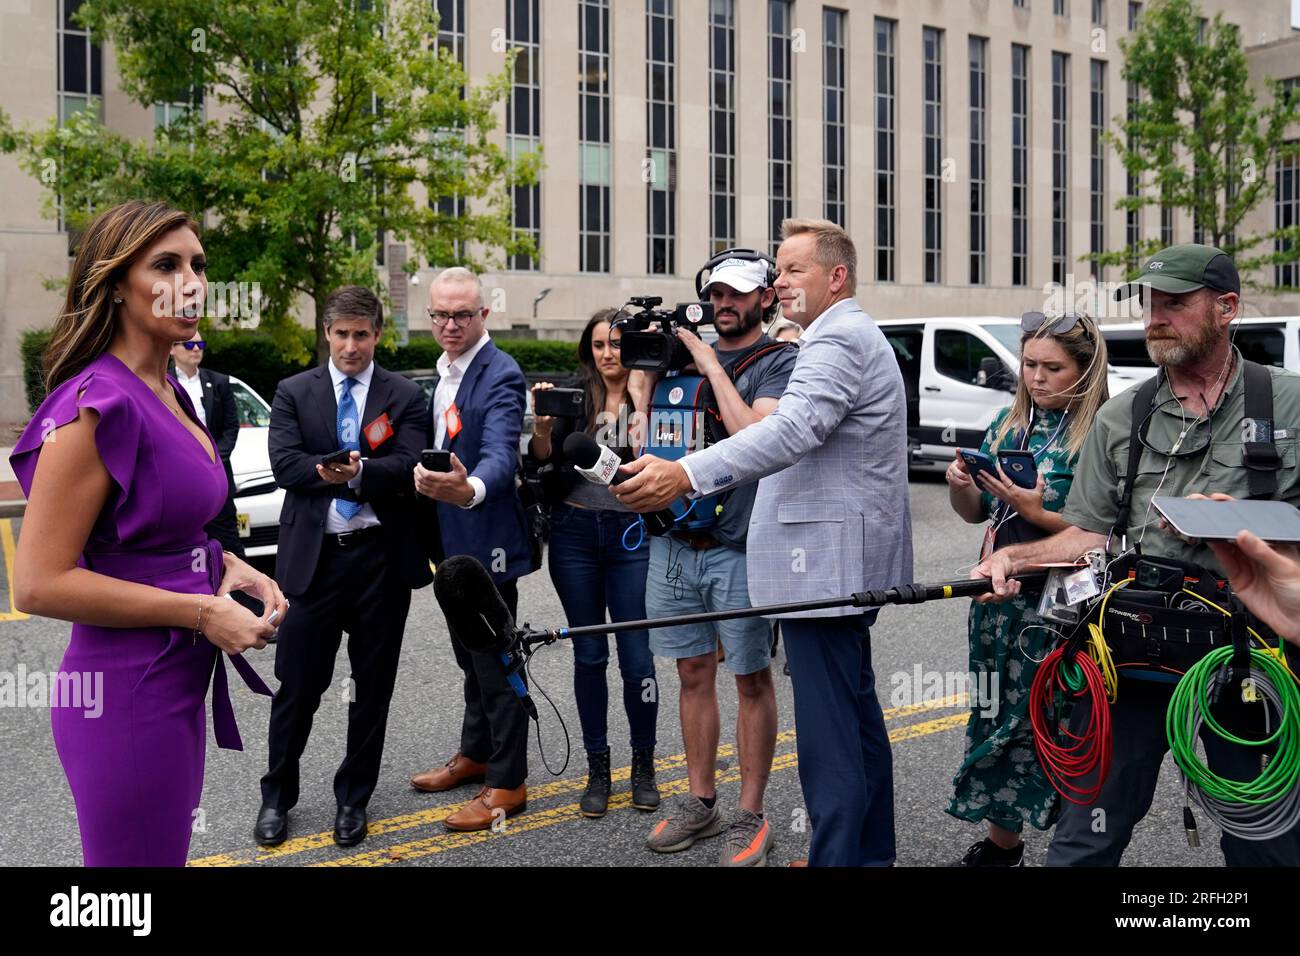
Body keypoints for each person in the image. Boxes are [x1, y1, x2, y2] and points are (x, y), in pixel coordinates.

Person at [972, 244, 1300, 866]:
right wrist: (1015, 560)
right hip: (1135, 648)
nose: (1156, 317)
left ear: (1227, 307)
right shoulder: (1123, 416)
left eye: (1175, 304)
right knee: (1087, 830)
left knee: (1267, 835)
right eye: (1150, 304)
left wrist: (1260, 531)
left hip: (1253, 651)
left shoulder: (1288, 402)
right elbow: (1086, 535)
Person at [614, 219, 913, 867]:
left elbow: (788, 432)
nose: (778, 283)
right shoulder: (841, 335)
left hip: (828, 576)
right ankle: (866, 857)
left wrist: (685, 472)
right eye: (777, 271)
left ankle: (841, 858)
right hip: (837, 570)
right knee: (856, 726)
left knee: (830, 744)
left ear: (836, 278)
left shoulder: (836, 340)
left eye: (791, 271)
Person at [10, 200, 285, 866]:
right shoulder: (94, 405)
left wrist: (224, 565)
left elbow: (151, 529)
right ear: (113, 285)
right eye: (165, 265)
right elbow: (38, 583)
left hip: (175, 684)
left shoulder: (169, 390)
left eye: (197, 264)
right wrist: (200, 610)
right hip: (123, 696)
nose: (190, 281)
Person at [630, 252, 797, 867]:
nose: (725, 303)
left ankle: (751, 813)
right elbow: (644, 442)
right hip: (673, 543)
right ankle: (702, 802)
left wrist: (704, 360)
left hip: (740, 548)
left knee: (751, 677)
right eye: (717, 294)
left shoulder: (781, 361)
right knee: (691, 673)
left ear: (765, 299)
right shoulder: (671, 360)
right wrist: (642, 393)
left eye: (739, 295)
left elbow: (754, 433)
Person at [255, 286, 432, 849]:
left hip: (380, 560)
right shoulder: (293, 392)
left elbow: (408, 464)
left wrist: (356, 477)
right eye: (341, 334)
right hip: (315, 564)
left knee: (371, 688)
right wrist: (325, 471)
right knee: (298, 687)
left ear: (377, 335)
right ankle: (276, 797)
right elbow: (284, 464)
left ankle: (353, 799)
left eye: (361, 334)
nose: (351, 345)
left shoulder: (404, 394)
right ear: (326, 334)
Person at [944, 312, 1109, 866]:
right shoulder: (1007, 425)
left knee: (1049, 721)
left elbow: (1103, 533)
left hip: (1061, 613)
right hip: (996, 604)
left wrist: (1035, 510)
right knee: (993, 715)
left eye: (1053, 367)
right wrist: (962, 486)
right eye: (1029, 364)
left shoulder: (1101, 432)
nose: (1037, 377)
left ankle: (1072, 845)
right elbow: (974, 516)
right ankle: (1002, 844)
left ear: (1085, 371)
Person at [409, 267, 535, 832]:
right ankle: (476, 753)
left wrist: (471, 488)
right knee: (470, 656)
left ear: (484, 315)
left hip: (488, 542)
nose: (451, 324)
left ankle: (507, 782)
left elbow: (500, 455)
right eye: (440, 315)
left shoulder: (501, 373)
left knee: (497, 660)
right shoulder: (446, 371)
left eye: (463, 314)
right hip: (450, 542)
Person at [525, 309, 659, 819]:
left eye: (619, 344)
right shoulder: (571, 397)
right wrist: (541, 428)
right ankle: (597, 767)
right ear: (589, 349)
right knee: (589, 655)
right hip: (575, 534)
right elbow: (540, 461)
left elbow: (658, 457)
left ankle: (642, 764)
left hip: (631, 534)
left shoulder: (652, 393)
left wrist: (643, 398)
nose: (608, 354)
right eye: (600, 344)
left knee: (638, 657)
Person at [170, 330, 245, 558]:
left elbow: (231, 426)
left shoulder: (219, 382)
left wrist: (214, 458)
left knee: (228, 540)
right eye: (189, 345)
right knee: (182, 540)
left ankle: (243, 592)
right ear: (172, 349)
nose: (196, 350)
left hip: (217, 471)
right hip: (180, 477)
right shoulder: (163, 382)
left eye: (200, 344)